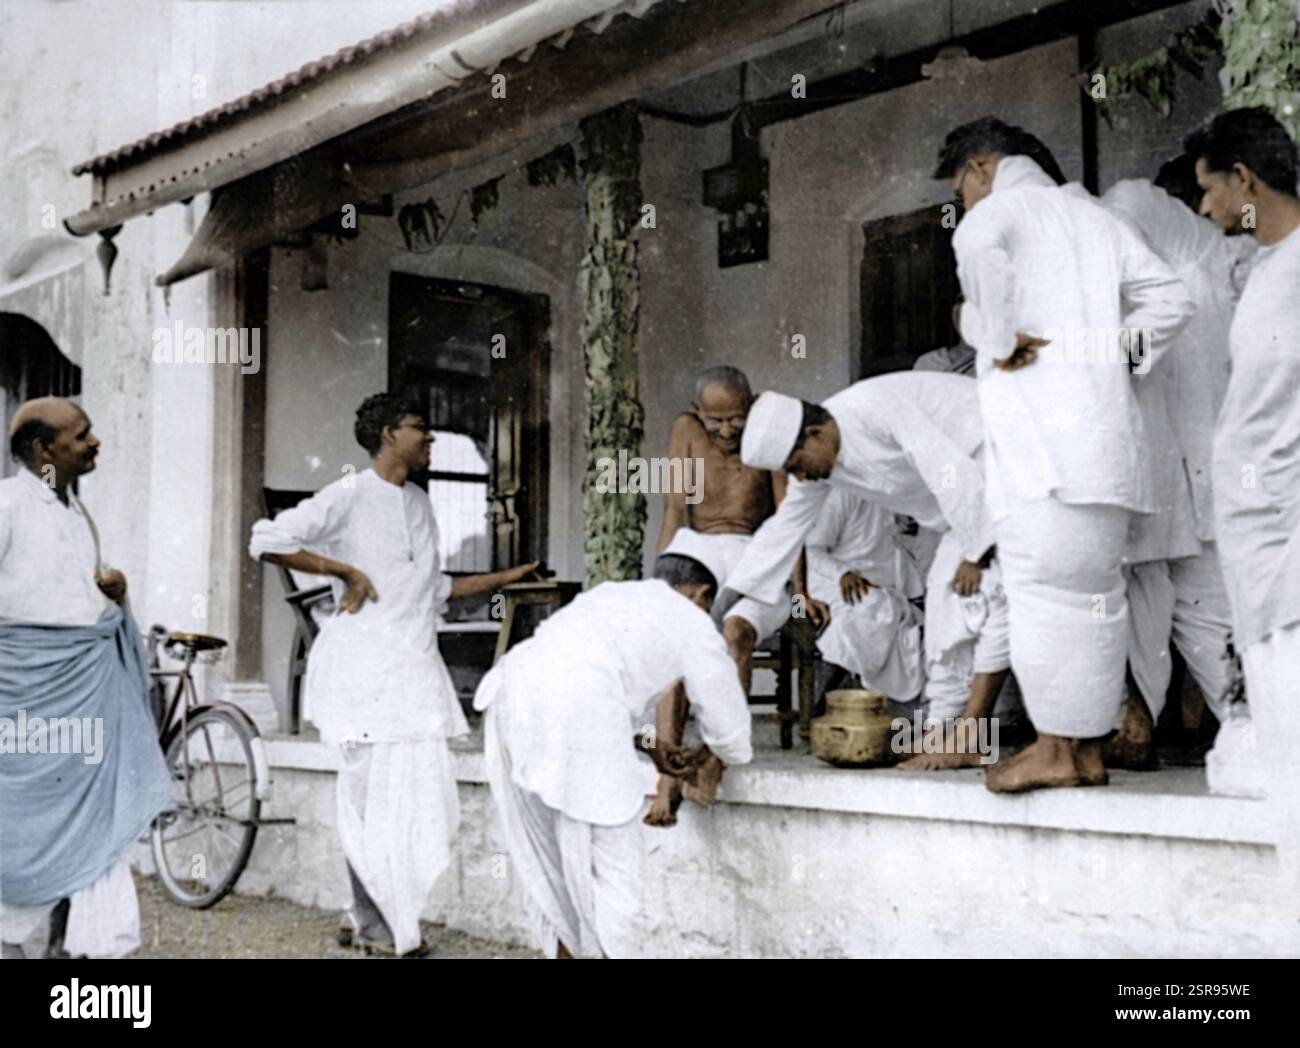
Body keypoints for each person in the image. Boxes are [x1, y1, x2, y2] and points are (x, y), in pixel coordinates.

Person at [935, 117, 1193, 792]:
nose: (964, 202)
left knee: (1042, 596)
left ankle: (1054, 749)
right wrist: (1109, 355)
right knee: (1095, 598)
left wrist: (994, 338)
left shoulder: (995, 216)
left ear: (981, 167)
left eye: (961, 188)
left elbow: (977, 254)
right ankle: (1085, 751)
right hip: (1108, 456)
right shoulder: (1097, 219)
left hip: (1041, 456)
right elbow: (1172, 300)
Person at [248, 393, 538, 957]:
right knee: (368, 799)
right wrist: (344, 571)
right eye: (419, 427)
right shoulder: (350, 493)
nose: (430, 438)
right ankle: (377, 927)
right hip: (363, 668)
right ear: (388, 434)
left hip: (413, 669)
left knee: (415, 802)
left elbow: (435, 589)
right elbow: (267, 540)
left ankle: (362, 915)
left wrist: (507, 577)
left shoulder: (420, 505)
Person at [473, 531, 752, 958]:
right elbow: (730, 726)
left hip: (510, 699)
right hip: (577, 718)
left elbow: (590, 684)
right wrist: (719, 753)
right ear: (701, 593)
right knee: (614, 873)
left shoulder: (611, 595)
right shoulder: (692, 620)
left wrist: (650, 746)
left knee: (550, 868)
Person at [725, 371, 1012, 769]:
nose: (801, 478)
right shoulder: (819, 463)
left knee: (991, 592)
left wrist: (976, 551)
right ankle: (940, 731)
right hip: (965, 511)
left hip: (1003, 466)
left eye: (797, 465)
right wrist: (729, 599)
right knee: (944, 606)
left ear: (814, 434)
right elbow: (784, 529)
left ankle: (971, 737)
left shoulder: (873, 409)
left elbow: (947, 467)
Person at [0, 397, 171, 959]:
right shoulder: (7, 505)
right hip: (26, 701)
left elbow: (72, 598)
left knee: (96, 822)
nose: (94, 442)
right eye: (81, 435)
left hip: (88, 691)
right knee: (27, 825)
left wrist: (116, 595)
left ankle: (80, 951)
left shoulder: (75, 511)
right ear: (43, 449)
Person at [1100, 169, 1249, 770]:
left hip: (1186, 473)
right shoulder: (1217, 272)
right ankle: (1242, 730)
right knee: (1192, 611)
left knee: (1172, 604)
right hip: (1192, 477)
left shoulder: (1136, 209)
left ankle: (1151, 725)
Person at [1187, 108, 1300, 820]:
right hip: (1260, 550)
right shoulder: (1265, 271)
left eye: (1209, 189)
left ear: (1244, 178)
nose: (1205, 208)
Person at [646, 366, 793, 826]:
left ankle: (716, 757)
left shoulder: (768, 427)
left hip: (755, 550)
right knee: (673, 634)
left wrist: (802, 588)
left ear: (751, 406)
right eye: (716, 422)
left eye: (736, 419)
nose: (727, 431)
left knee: (735, 634)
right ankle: (667, 773)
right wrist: (659, 582)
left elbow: (788, 516)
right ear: (698, 412)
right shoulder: (686, 430)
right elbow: (675, 508)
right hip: (700, 546)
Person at [803, 488, 925, 702]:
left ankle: (883, 711)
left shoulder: (899, 492)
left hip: (884, 587)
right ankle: (820, 706)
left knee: (908, 619)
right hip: (831, 581)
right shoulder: (844, 494)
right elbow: (812, 550)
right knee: (870, 608)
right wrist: (843, 574)